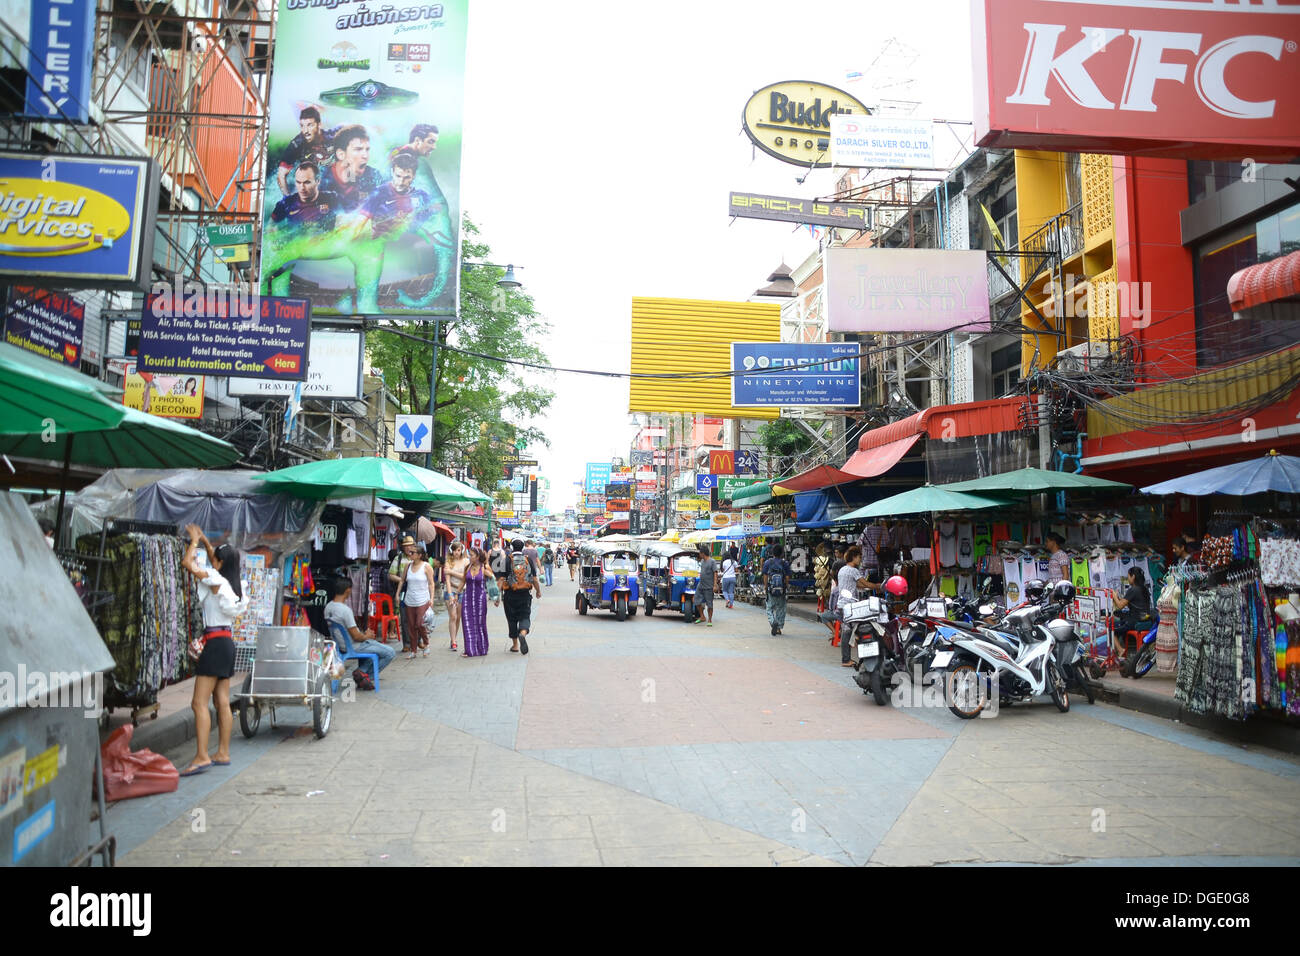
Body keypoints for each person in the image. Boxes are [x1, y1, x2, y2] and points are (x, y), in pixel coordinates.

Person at [178, 524, 249, 777]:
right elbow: (214, 560)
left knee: (198, 703)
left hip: (214, 644)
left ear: (218, 563)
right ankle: (222, 752)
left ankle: (201, 756)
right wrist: (208, 543)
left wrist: (194, 541)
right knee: (222, 702)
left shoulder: (216, 579)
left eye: (214, 559)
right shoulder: (233, 586)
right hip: (227, 642)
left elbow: (188, 563)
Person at [324, 576, 394, 690]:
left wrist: (365, 636)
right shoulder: (345, 610)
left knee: (373, 644)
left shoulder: (328, 607)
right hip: (353, 646)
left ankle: (362, 672)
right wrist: (367, 636)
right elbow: (356, 636)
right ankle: (364, 675)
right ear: (348, 590)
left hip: (339, 645)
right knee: (390, 652)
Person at [320, 124, 382, 212]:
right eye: (358, 149)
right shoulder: (320, 180)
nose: (365, 155)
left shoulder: (375, 177)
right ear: (341, 154)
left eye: (367, 149)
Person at [275, 107, 335, 196]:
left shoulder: (332, 138)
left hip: (331, 185)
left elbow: (350, 162)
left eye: (310, 125)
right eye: (302, 126)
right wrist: (287, 200)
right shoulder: (297, 144)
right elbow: (281, 175)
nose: (305, 131)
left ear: (319, 124)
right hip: (309, 186)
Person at [497, 539, 542, 654]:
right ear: (522, 548)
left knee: (511, 618)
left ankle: (515, 645)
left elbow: (501, 579)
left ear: (512, 547)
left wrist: (497, 596)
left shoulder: (506, 560)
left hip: (510, 595)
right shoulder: (528, 560)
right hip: (525, 594)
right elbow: (534, 579)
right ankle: (522, 633)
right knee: (525, 616)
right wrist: (538, 591)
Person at [836, 546, 877, 667]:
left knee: (848, 631)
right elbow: (864, 583)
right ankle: (846, 659)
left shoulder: (842, 569)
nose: (860, 560)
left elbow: (857, 585)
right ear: (854, 557)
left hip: (842, 604)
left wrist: (870, 586)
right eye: (859, 557)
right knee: (852, 631)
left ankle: (849, 658)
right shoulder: (853, 570)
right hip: (849, 606)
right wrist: (879, 586)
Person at [271, 161, 337, 231]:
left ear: (317, 181)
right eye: (298, 182)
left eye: (307, 182)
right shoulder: (286, 204)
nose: (302, 187)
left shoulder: (332, 198)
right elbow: (269, 228)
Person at [398, 540, 437, 660]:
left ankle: (426, 644)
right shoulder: (408, 566)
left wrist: (431, 598)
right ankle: (413, 650)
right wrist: (397, 594)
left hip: (422, 599)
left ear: (419, 555)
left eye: (413, 552)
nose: (410, 554)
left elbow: (431, 584)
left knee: (420, 623)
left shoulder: (426, 566)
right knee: (411, 626)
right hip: (410, 599)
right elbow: (402, 580)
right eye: (410, 552)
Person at [388, 535, 417, 651]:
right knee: (404, 617)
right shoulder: (398, 558)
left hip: (417, 591)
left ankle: (417, 641)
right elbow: (391, 575)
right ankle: (407, 644)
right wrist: (402, 580)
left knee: (416, 618)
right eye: (406, 546)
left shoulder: (418, 558)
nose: (408, 548)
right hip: (404, 590)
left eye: (410, 545)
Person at [461, 547, 491, 657]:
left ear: (477, 557)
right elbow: (463, 581)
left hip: (480, 600)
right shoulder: (467, 567)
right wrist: (454, 595)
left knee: (479, 623)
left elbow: (492, 579)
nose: (469, 557)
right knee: (467, 622)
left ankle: (481, 648)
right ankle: (470, 650)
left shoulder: (484, 567)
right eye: (469, 554)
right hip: (467, 598)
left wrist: (496, 596)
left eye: (471, 555)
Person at [1112, 566, 1154, 643]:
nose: (1128, 579)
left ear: (1133, 577)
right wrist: (1118, 599)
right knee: (1119, 616)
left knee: (1110, 627)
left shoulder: (1133, 589)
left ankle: (1121, 649)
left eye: (1128, 576)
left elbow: (1120, 606)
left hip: (1135, 620)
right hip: (1145, 618)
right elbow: (1133, 603)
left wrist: (1114, 595)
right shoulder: (1144, 588)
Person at [442, 540, 470, 652]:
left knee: (458, 617)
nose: (456, 552)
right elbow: (447, 581)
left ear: (462, 551)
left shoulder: (466, 561)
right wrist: (450, 595)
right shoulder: (448, 562)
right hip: (451, 591)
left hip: (462, 590)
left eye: (458, 550)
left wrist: (452, 573)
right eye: (454, 550)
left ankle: (454, 637)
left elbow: (465, 577)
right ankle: (453, 641)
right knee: (452, 616)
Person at [762, 543, 792, 636]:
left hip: (771, 588)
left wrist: (766, 586)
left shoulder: (768, 562)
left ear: (772, 553)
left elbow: (765, 575)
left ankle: (772, 621)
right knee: (781, 608)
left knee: (769, 607)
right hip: (781, 589)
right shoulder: (785, 563)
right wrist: (786, 586)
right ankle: (778, 627)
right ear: (782, 553)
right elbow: (787, 577)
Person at [695, 546, 718, 626]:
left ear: (703, 553)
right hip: (700, 585)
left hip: (709, 586)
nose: (699, 555)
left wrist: (715, 585)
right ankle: (702, 616)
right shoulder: (702, 561)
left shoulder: (712, 561)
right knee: (696, 600)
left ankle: (710, 620)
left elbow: (715, 573)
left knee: (709, 604)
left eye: (700, 553)